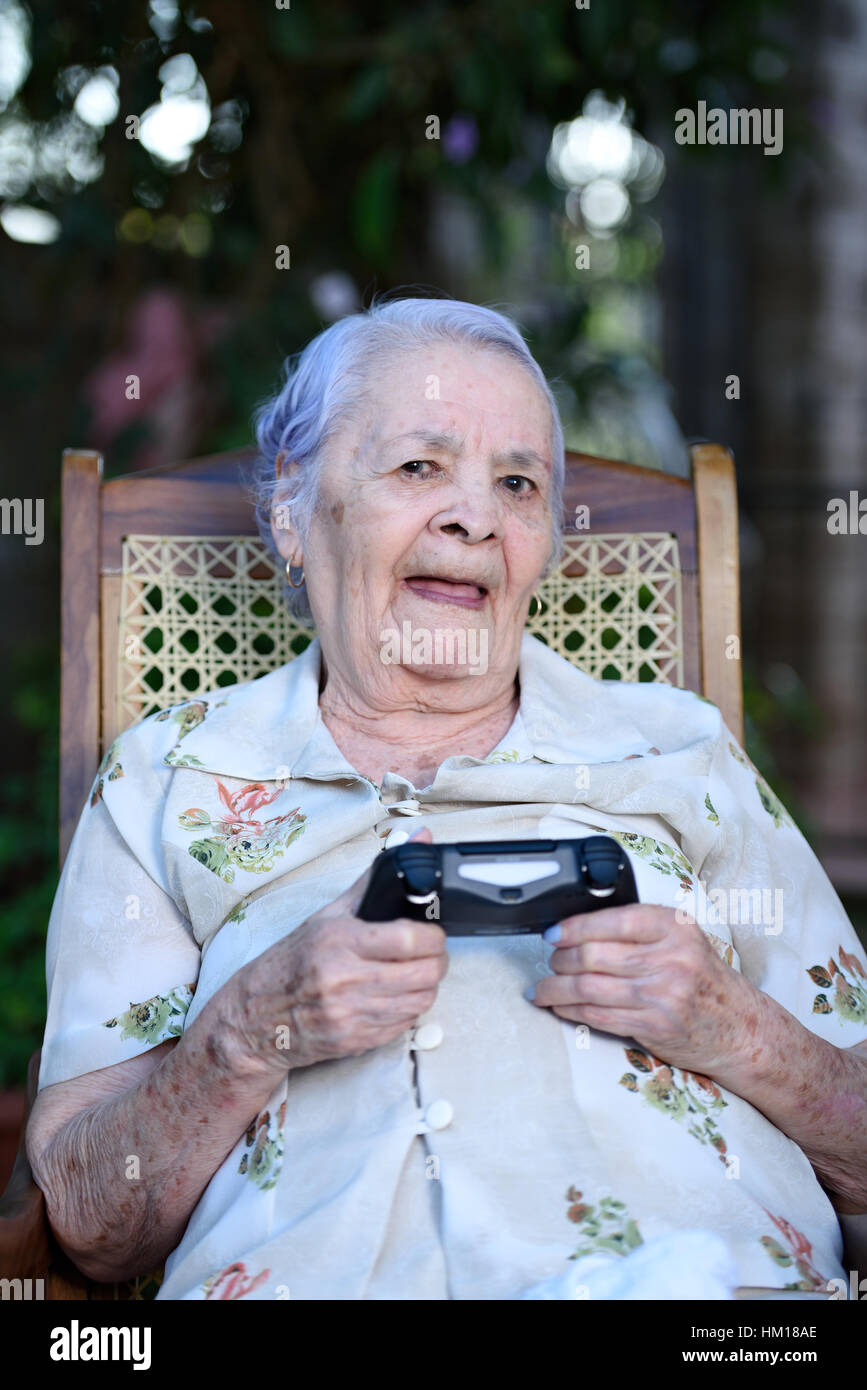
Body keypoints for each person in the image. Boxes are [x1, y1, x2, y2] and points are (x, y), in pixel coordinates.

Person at [26, 297, 867, 1300]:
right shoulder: (169, 777)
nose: (474, 514)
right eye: (419, 466)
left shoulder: (680, 753)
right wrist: (250, 1030)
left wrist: (732, 1025)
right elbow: (87, 1225)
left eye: (519, 482)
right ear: (293, 508)